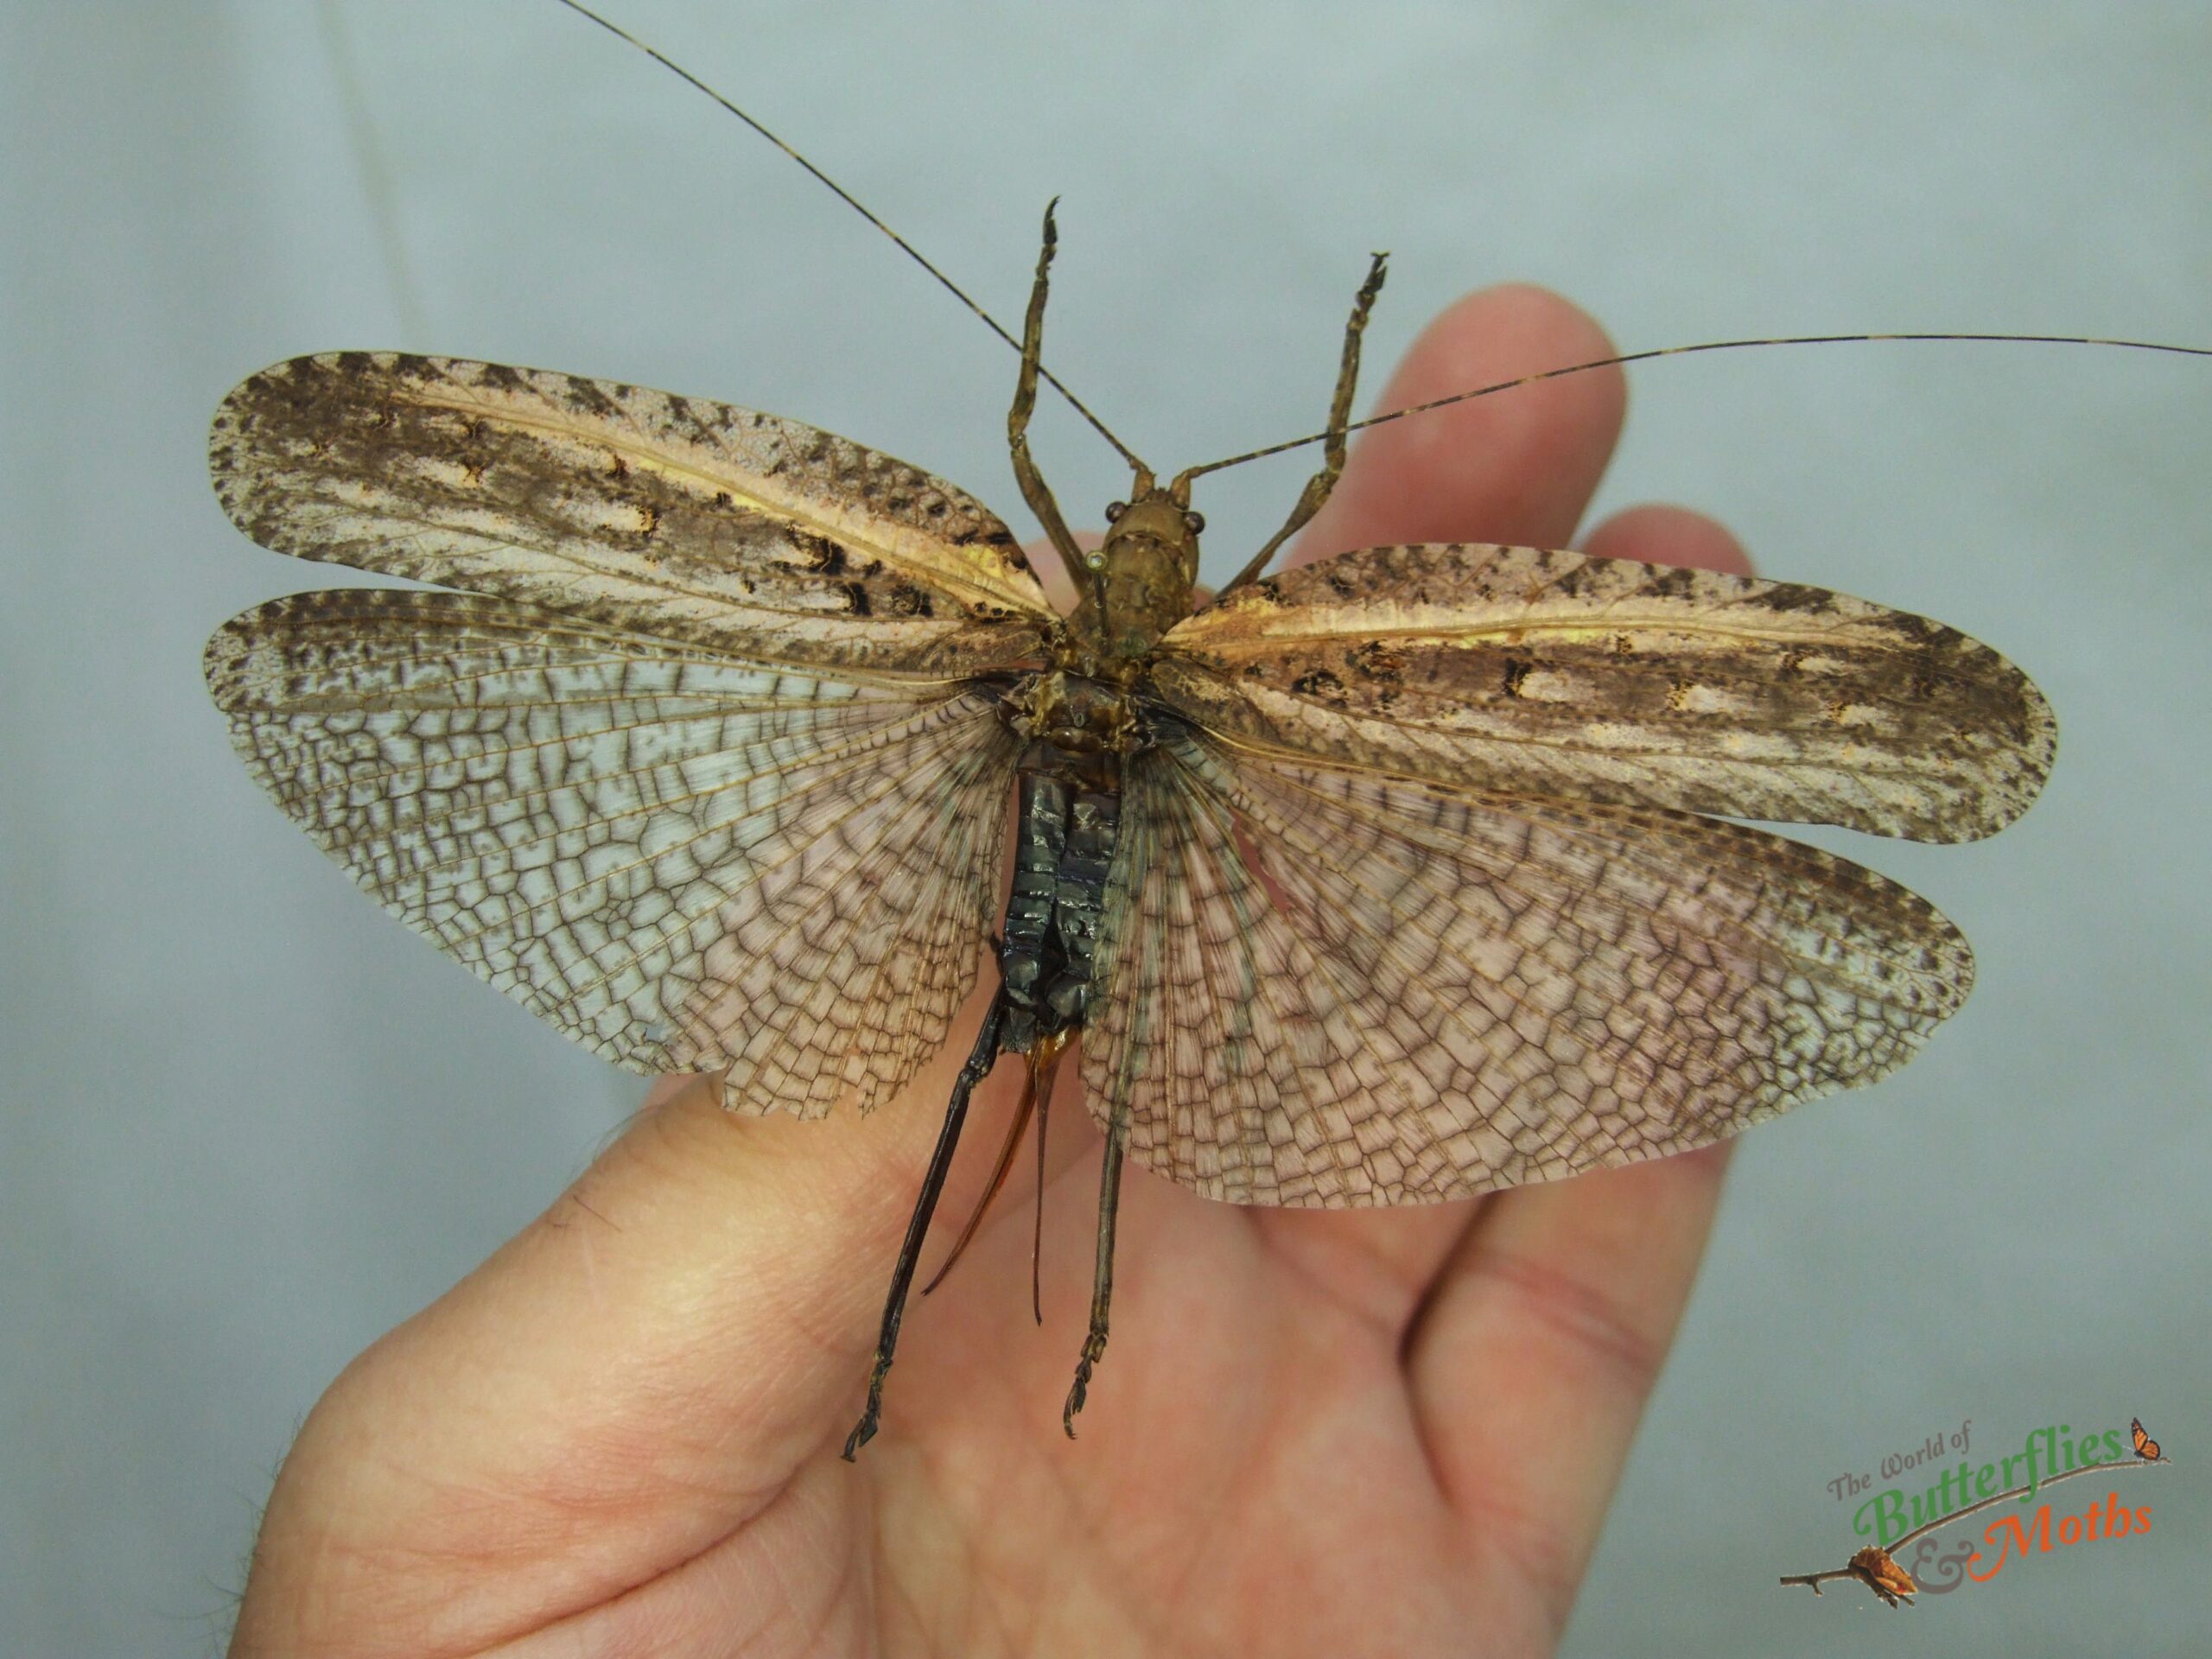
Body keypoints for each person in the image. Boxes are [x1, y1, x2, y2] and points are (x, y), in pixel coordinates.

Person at [226, 284, 1749, 1658]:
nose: (1153, 532)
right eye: (1150, 529)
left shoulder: (1176, 616)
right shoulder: (1168, 610)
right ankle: (948, 1345)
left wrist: (1054, 300)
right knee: (1032, 1065)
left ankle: (1009, 1340)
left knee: (1052, 1066)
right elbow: (1236, 471)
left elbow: (1084, 445)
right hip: (1088, 778)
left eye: (1158, 532)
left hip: (1154, 778)